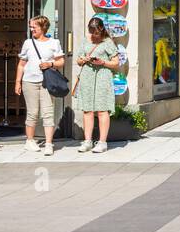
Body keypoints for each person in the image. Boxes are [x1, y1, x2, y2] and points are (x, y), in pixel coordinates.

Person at [15, 15, 64, 156]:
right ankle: (29, 141)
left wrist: (50, 64)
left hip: (47, 82)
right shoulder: (28, 43)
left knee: (48, 113)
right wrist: (18, 82)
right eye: (31, 27)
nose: (31, 30)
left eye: (34, 27)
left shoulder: (54, 43)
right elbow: (21, 64)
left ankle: (49, 144)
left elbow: (61, 62)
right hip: (29, 82)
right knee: (32, 113)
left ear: (43, 27)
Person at [73, 17, 120, 153]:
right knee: (87, 109)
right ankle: (87, 141)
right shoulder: (85, 40)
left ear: (101, 30)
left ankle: (102, 142)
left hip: (103, 77)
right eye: (92, 32)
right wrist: (84, 59)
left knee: (102, 109)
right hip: (87, 76)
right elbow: (78, 60)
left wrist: (103, 62)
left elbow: (116, 63)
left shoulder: (108, 42)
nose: (94, 35)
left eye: (97, 32)